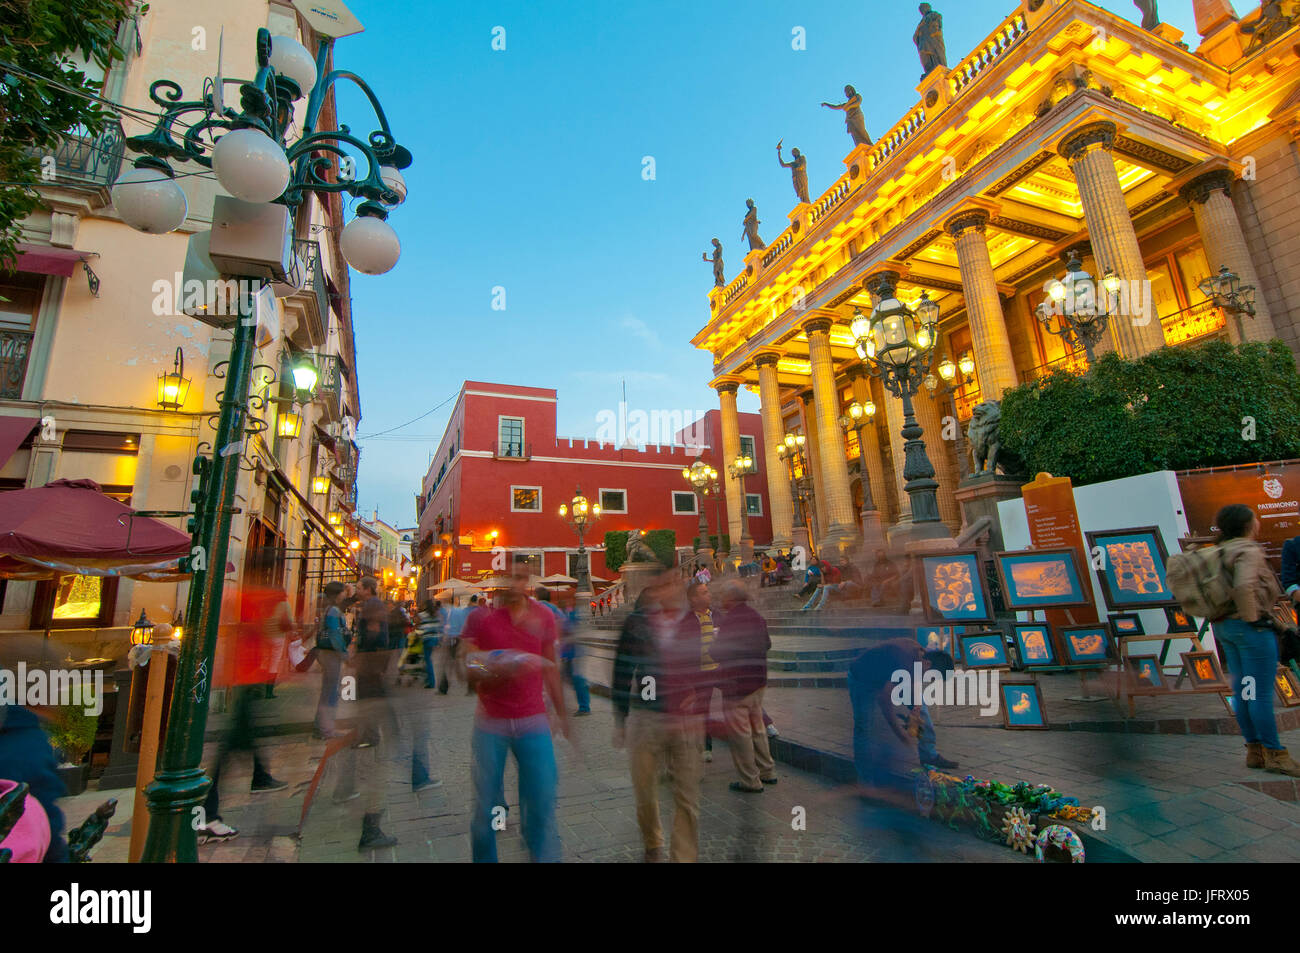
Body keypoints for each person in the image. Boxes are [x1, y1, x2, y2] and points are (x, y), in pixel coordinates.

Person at [463, 567, 568, 862]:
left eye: (520, 578)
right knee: (487, 806)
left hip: (533, 719)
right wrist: (492, 668)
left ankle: (541, 855)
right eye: (510, 578)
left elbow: (551, 666)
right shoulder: (485, 620)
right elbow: (469, 671)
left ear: (527, 583)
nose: (515, 584)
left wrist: (562, 714)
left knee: (541, 799)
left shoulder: (544, 617)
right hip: (491, 722)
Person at [198, 551, 290, 844]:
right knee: (228, 749)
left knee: (241, 741)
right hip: (245, 677)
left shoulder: (242, 595)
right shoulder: (252, 598)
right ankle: (208, 815)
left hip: (245, 677)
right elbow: (265, 629)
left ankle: (259, 777)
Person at [611, 571, 704, 862]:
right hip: (646, 716)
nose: (668, 591)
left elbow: (697, 663)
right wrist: (620, 717)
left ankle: (683, 857)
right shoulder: (636, 623)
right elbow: (622, 671)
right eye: (661, 585)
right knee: (644, 790)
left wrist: (696, 696)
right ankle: (653, 842)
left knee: (687, 797)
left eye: (673, 584)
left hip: (685, 718)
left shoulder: (691, 622)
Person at [1212, 504, 1300, 777]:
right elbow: (1243, 586)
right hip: (1251, 630)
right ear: (1248, 524)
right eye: (1255, 518)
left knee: (1244, 692)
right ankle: (1276, 754)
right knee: (1259, 694)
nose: (1259, 522)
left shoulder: (1219, 550)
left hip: (1226, 627)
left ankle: (1255, 750)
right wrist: (1254, 618)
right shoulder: (1247, 550)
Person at [335, 576, 401, 850]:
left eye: (360, 586)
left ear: (369, 589)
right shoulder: (372, 606)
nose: (357, 590)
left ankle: (346, 787)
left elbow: (375, 636)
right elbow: (376, 637)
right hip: (370, 677)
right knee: (387, 736)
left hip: (369, 675)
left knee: (369, 727)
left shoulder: (372, 606)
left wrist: (361, 658)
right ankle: (367, 820)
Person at [714, 581, 776, 793]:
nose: (721, 600)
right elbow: (767, 644)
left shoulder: (731, 621)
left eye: (723, 596)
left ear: (731, 600)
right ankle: (768, 771)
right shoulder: (757, 617)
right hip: (758, 681)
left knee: (740, 733)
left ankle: (750, 780)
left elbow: (719, 652)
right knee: (758, 728)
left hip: (737, 684)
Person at [535, 586, 590, 715]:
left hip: (573, 652)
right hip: (566, 652)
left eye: (568, 598)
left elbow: (573, 631)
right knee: (566, 678)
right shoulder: (562, 612)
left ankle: (584, 706)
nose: (565, 601)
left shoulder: (573, 613)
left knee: (575, 679)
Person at [688, 581, 721, 763]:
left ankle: (766, 722)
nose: (709, 595)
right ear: (693, 598)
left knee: (742, 695)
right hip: (699, 671)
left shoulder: (716, 615)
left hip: (718, 668)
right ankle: (705, 746)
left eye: (708, 591)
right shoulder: (688, 618)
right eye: (704, 592)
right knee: (702, 708)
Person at [313, 581, 350, 739]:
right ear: (337, 594)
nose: (345, 594)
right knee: (330, 693)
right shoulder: (334, 611)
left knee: (327, 691)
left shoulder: (329, 609)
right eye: (343, 592)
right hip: (331, 654)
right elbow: (335, 635)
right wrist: (344, 654)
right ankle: (326, 730)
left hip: (327, 653)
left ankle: (320, 727)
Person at [416, 599, 443, 690]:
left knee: (428, 660)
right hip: (435, 638)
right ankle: (427, 678)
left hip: (426, 638)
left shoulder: (422, 615)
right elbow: (439, 626)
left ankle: (431, 682)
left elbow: (417, 626)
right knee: (428, 658)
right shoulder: (436, 615)